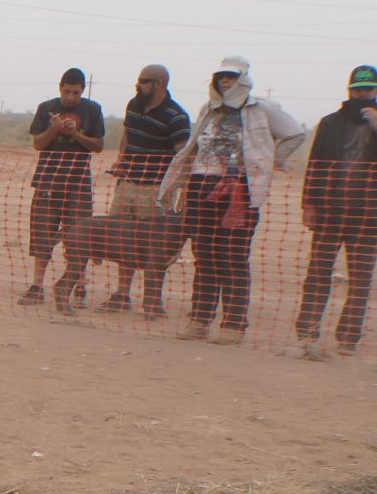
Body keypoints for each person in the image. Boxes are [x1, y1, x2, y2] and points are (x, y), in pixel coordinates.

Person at [159, 56, 305, 343]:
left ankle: (234, 325)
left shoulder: (261, 109)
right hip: (202, 184)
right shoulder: (208, 110)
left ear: (243, 79)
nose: (225, 82)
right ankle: (200, 320)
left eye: (231, 77)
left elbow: (294, 134)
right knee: (203, 255)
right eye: (222, 77)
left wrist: (270, 161)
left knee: (233, 257)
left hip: (239, 190)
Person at [290, 65, 377, 359]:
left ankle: (348, 338)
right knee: (318, 271)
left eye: (368, 89)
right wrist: (308, 204)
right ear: (349, 90)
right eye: (358, 89)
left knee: (361, 276)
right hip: (329, 209)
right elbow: (314, 165)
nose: (362, 95)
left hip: (368, 213)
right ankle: (307, 330)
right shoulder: (329, 123)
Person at [105, 64, 190, 315]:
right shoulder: (134, 104)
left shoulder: (176, 116)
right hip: (127, 183)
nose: (138, 84)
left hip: (155, 189)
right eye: (138, 80)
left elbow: (183, 154)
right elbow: (127, 134)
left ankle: (153, 301)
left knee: (155, 243)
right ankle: (122, 294)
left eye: (144, 80)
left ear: (160, 83)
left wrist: (182, 190)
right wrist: (121, 158)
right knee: (122, 239)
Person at [21, 68, 105, 307]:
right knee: (41, 237)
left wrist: (74, 133)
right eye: (67, 92)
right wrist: (54, 129)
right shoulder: (45, 108)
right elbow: (38, 143)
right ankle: (37, 286)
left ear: (82, 90)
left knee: (79, 238)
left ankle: (79, 286)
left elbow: (98, 146)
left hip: (78, 184)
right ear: (60, 88)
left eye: (76, 93)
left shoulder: (92, 110)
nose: (71, 97)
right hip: (47, 182)